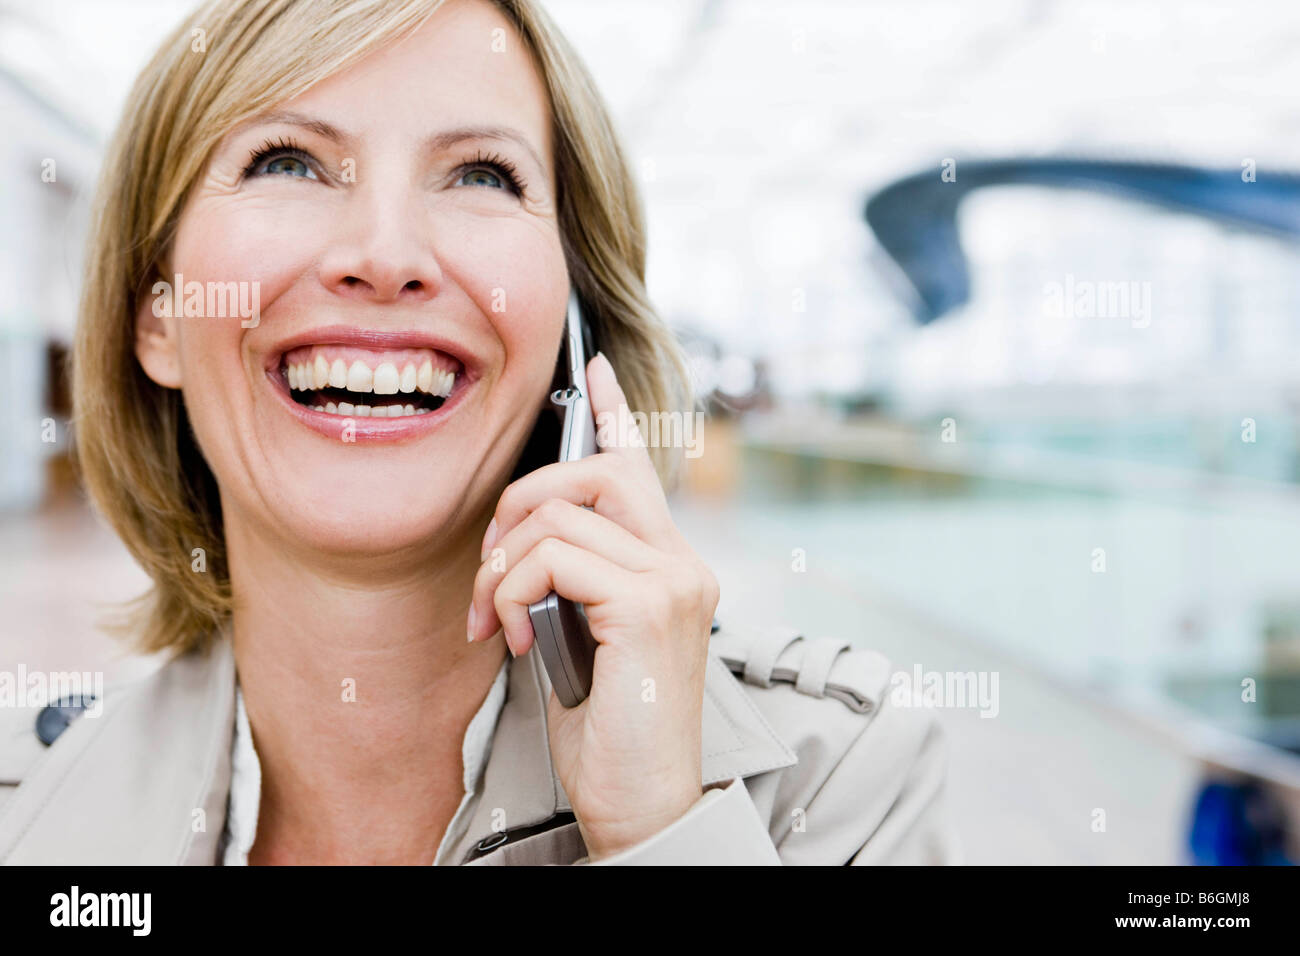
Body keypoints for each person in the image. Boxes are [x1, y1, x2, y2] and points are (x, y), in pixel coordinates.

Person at [0, 0, 957, 865]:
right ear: (155, 316)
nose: (384, 255)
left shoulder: (840, 783)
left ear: (573, 329)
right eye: (286, 162)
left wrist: (662, 832)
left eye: (481, 175)